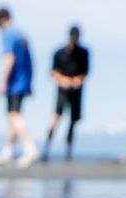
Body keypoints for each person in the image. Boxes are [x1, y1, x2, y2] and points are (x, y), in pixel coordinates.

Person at [0, 7, 39, 168]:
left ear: (2, 19)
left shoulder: (9, 34)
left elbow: (9, 58)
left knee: (14, 115)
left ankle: (30, 148)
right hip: (24, 79)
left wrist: (3, 82)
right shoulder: (21, 34)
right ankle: (8, 151)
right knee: (12, 115)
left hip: (15, 82)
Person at [43, 26, 89, 162]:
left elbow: (85, 73)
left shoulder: (83, 53)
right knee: (56, 117)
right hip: (62, 89)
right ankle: (46, 148)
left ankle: (68, 152)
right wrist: (64, 81)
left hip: (76, 90)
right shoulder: (59, 53)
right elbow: (52, 72)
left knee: (73, 121)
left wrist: (76, 81)